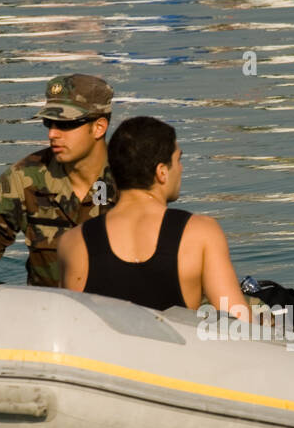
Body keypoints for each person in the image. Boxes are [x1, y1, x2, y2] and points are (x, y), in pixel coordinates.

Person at [57, 116, 249, 316]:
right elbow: (239, 323)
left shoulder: (72, 242)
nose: (181, 168)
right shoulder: (200, 232)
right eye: (178, 160)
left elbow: (69, 326)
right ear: (162, 172)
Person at [0, 74, 118, 286]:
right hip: (47, 310)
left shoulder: (131, 175)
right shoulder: (27, 176)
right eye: (49, 122)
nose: (52, 133)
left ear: (99, 127)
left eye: (66, 124)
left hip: (119, 311)